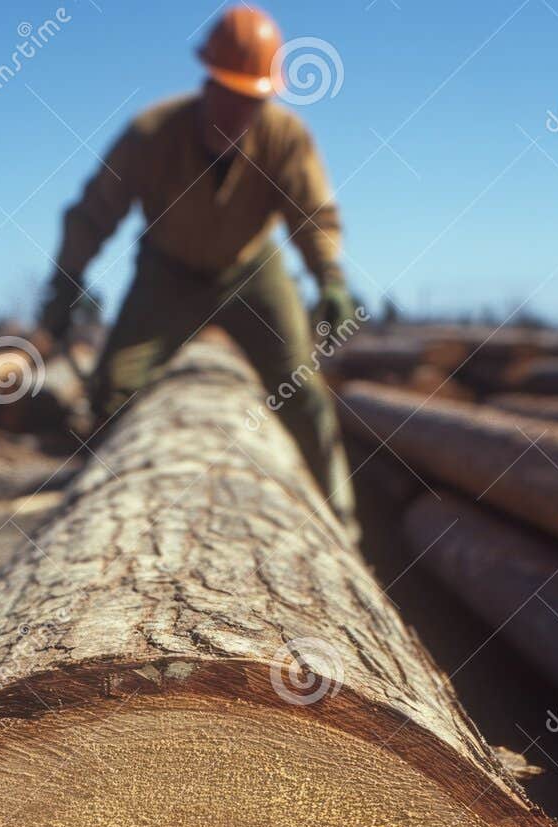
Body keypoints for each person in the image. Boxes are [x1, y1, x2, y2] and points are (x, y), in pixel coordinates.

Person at [38, 5, 358, 520]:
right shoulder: (152, 134)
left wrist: (330, 278)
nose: (239, 110)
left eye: (252, 99)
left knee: (302, 392)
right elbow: (94, 213)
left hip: (252, 269)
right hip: (168, 271)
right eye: (230, 93)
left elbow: (312, 214)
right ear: (208, 80)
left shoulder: (285, 138)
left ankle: (341, 518)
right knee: (114, 388)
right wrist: (64, 282)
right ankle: (100, 504)